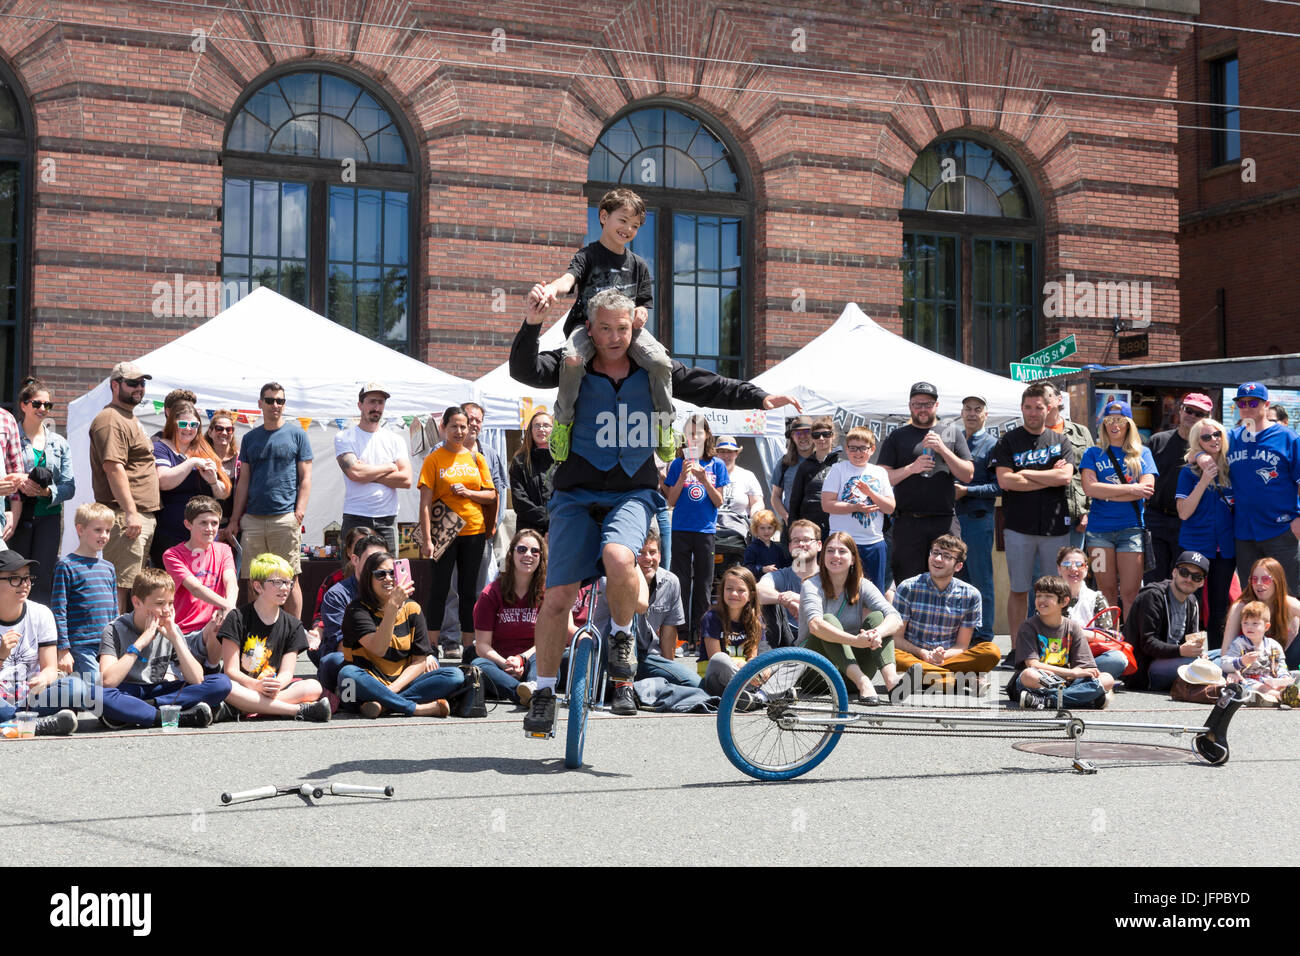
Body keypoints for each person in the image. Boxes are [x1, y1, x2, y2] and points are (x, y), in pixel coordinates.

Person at [509, 286, 798, 737]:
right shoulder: (575, 368)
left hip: (632, 491)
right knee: (558, 598)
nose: (612, 337)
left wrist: (758, 397)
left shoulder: (654, 372)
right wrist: (531, 322)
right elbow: (523, 368)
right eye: (603, 328)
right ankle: (545, 692)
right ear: (589, 327)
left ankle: (623, 634)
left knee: (620, 557)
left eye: (621, 329)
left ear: (634, 327)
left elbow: (708, 385)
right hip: (574, 494)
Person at [527, 187, 673, 462]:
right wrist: (552, 291)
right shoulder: (588, 256)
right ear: (604, 217)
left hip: (625, 329)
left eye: (636, 225)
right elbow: (567, 280)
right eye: (623, 220)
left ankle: (665, 424)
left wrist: (641, 312)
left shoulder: (639, 265)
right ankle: (563, 423)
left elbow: (644, 302)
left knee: (661, 363)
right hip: (588, 327)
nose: (628, 229)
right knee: (571, 359)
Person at [97, 567, 231, 730]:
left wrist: (175, 638)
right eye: (160, 603)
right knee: (97, 695)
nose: (167, 610)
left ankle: (138, 712)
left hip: (157, 693)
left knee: (221, 683)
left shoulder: (170, 628)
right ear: (137, 602)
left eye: (170, 603)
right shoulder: (114, 629)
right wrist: (141, 642)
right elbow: (108, 682)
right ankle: (175, 717)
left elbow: (196, 679)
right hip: (126, 692)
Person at [337, 551, 465, 717]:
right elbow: (379, 649)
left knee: (454, 675)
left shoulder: (412, 609)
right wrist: (392, 607)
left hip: (401, 683)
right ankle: (416, 709)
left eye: (392, 573)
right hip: (363, 687)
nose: (388, 578)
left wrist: (391, 690)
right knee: (347, 675)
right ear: (369, 579)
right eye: (380, 574)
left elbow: (419, 661)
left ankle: (385, 705)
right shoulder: (356, 610)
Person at [991, 383, 1075, 634]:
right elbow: (1005, 481)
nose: (1033, 412)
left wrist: (1026, 473)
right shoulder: (1009, 440)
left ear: (1048, 408)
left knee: (1054, 591)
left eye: (1038, 407)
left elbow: (1066, 478)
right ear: (1021, 409)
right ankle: (1018, 648)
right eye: (1027, 407)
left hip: (1055, 528)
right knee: (1019, 589)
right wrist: (1049, 476)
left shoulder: (1060, 441)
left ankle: (1051, 645)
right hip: (1019, 527)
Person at [228, 382, 313, 618]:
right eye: (270, 400)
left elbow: (306, 477)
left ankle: (294, 637)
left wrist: (299, 512)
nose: (275, 405)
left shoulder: (297, 434)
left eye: (280, 401)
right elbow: (243, 481)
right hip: (253, 519)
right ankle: (259, 633)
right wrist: (236, 518)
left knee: (289, 578)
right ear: (260, 404)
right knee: (254, 579)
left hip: (285, 518)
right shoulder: (250, 438)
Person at [418, 405, 496, 660]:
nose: (460, 431)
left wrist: (470, 493)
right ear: (444, 428)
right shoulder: (434, 459)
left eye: (464, 426)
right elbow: (425, 504)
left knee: (469, 591)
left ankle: (468, 646)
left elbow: (491, 494)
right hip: (444, 531)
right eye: (454, 426)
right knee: (439, 589)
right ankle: (431, 644)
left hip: (474, 531)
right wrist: (427, 539)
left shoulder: (476, 458)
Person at [592, 528, 701, 709]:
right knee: (628, 615)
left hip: (646, 657)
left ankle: (640, 690)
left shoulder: (670, 581)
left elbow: (668, 633)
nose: (647, 558)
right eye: (640, 553)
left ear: (660, 554)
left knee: (694, 683)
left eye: (652, 552)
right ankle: (624, 686)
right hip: (610, 655)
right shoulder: (610, 580)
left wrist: (668, 670)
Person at [877, 382, 974, 585]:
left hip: (944, 521)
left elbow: (967, 475)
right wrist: (912, 468)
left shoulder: (952, 432)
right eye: (917, 404)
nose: (922, 409)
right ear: (910, 406)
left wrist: (943, 450)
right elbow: (882, 478)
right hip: (908, 523)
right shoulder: (897, 436)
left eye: (927, 404)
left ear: (936, 405)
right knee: (907, 583)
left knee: (947, 582)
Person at [218, 554, 330, 721]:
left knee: (313, 687)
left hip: (273, 689)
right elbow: (231, 671)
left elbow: (286, 673)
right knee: (223, 685)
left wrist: (276, 685)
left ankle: (243, 707)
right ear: (258, 586)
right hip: (241, 686)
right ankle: (298, 710)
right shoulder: (236, 617)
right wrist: (256, 685)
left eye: (288, 582)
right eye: (277, 582)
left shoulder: (294, 625)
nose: (285, 588)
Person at [89, 361, 161, 612]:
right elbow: (113, 468)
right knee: (121, 586)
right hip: (125, 516)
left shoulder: (128, 417)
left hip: (139, 515)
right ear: (115, 385)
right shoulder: (110, 419)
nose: (139, 388)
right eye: (132, 383)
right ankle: (112, 646)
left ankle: (124, 643)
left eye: (142, 383)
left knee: (133, 586)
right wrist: (130, 512)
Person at [799, 530, 902, 703]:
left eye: (842, 551)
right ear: (823, 556)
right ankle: (863, 683)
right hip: (816, 674)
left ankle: (892, 680)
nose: (835, 555)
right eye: (830, 551)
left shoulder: (863, 585)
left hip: (852, 672)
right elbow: (815, 626)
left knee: (877, 617)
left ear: (853, 558)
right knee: (828, 620)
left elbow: (895, 617)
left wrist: (877, 633)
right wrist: (854, 641)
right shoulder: (811, 585)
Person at [891, 534, 998, 694]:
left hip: (949, 658)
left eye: (947, 556)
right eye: (934, 553)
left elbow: (962, 646)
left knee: (991, 652)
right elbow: (897, 639)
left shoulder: (970, 594)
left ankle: (925, 679)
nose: (938, 559)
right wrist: (923, 654)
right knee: (891, 654)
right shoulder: (908, 588)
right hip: (914, 655)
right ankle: (960, 681)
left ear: (958, 566)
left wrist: (942, 656)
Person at [1080, 400, 1157, 618]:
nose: (1115, 425)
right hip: (1098, 532)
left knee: (1131, 593)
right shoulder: (1093, 453)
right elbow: (1090, 489)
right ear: (1103, 424)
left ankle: (1131, 643)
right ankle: (1110, 643)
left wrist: (1108, 492)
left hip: (1131, 530)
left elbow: (1148, 489)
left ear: (1129, 424)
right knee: (1106, 593)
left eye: (1120, 420)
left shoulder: (1143, 453)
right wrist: (1131, 489)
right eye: (1110, 420)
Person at [1226, 382, 1300, 599]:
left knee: (1288, 595)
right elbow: (1196, 450)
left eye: (1253, 402)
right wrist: (1200, 456)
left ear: (1266, 404)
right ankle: (1255, 635)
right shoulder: (1231, 438)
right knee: (1251, 596)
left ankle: (1292, 635)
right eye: (1241, 402)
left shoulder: (1287, 437)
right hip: (1244, 532)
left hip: (1281, 528)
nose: (1247, 407)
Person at [0, 550, 84, 735]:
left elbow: (50, 668)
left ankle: (13, 724)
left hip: (30, 697)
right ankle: (33, 725)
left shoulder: (41, 613)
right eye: (15, 578)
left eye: (27, 578)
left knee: (76, 687)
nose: (24, 585)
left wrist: (43, 679)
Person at [665, 414, 728, 650]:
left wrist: (703, 478)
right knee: (680, 584)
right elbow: (670, 500)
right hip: (681, 528)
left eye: (698, 432)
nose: (694, 437)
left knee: (703, 585)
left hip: (705, 530)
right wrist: (682, 476)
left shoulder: (716, 464)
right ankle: (681, 638)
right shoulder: (677, 462)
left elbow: (718, 501)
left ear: (707, 435)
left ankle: (702, 638)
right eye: (690, 433)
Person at [11, 377, 75, 604]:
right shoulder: (11, 439)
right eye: (37, 404)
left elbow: (69, 486)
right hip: (16, 516)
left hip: (49, 517)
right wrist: (19, 482)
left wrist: (46, 492)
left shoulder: (59, 443)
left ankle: (41, 634)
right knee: (13, 575)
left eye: (47, 405)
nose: (42, 409)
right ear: (23, 405)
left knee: (43, 577)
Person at [1010, 575, 1114, 710]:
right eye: (1038, 595)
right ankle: (1085, 699)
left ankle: (1046, 701)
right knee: (1029, 674)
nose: (1041, 600)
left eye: (1048, 596)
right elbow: (1033, 664)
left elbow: (1086, 667)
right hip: (1041, 679)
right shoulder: (1028, 626)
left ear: (1064, 602)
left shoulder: (1073, 627)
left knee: (1107, 679)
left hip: (1066, 682)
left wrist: (1075, 674)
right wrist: (1073, 673)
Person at [1175, 417, 1235, 645]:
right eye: (1206, 436)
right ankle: (1190, 655)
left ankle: (1217, 654)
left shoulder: (1233, 468)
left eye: (1217, 434)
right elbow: (1183, 512)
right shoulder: (1189, 472)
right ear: (1197, 442)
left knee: (1220, 604)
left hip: (1226, 548)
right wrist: (1204, 480)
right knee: (1192, 601)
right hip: (1196, 545)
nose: (1213, 439)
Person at [334, 382, 412, 554]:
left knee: (389, 575)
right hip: (355, 516)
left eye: (381, 402)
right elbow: (354, 472)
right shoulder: (344, 437)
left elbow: (406, 479)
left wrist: (367, 473)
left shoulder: (395, 439)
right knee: (353, 573)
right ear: (360, 405)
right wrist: (389, 467)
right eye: (372, 402)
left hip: (387, 518)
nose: (377, 407)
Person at [472, 529, 546, 705]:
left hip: (531, 660)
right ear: (511, 554)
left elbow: (546, 641)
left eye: (535, 551)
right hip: (499, 664)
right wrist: (505, 663)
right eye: (521, 549)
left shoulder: (547, 593)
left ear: (540, 557)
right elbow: (482, 645)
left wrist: (522, 658)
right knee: (478, 663)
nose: (528, 555)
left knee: (547, 656)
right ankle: (526, 696)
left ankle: (533, 688)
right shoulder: (491, 593)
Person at [1145, 393, 1213, 583]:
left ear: (1207, 418)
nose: (1191, 415)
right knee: (1154, 579)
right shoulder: (1157, 441)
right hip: (1156, 517)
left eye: (1199, 413)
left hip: (1190, 522)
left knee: (1185, 581)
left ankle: (1182, 614)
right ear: (1180, 410)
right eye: (1188, 410)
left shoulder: (1210, 447)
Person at [152, 398, 230, 561]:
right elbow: (164, 481)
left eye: (194, 425)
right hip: (171, 534)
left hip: (204, 535)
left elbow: (224, 492)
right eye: (183, 424)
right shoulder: (161, 447)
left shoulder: (204, 448)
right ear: (173, 424)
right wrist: (192, 462)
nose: (188, 429)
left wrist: (213, 481)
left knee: (203, 581)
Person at [314, 532, 388, 701]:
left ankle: (377, 699)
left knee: (450, 673)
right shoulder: (337, 595)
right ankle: (392, 698)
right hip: (353, 662)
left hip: (390, 662)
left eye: (380, 559)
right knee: (334, 661)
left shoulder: (394, 588)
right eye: (370, 560)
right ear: (355, 560)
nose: (375, 565)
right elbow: (342, 645)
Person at [820, 426, 894, 590]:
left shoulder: (879, 472)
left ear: (872, 449)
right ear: (846, 449)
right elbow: (827, 504)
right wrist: (855, 507)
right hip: (843, 543)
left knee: (874, 593)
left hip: (873, 542)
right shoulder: (838, 469)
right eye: (853, 448)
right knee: (840, 591)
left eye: (862, 448)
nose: (857, 453)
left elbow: (889, 508)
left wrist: (870, 493)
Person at [50, 503, 118, 682]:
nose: (104, 535)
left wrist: (117, 639)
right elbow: (59, 609)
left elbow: (114, 610)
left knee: (111, 684)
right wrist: (63, 648)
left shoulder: (109, 568)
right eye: (98, 530)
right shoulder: (66, 566)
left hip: (107, 646)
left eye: (108, 530)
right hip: (81, 646)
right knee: (98, 688)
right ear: (80, 529)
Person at [1122, 550, 1207, 691]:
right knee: (1196, 664)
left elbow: (1191, 640)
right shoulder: (1153, 596)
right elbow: (1147, 644)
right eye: (1184, 572)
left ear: (1202, 582)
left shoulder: (1192, 602)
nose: (1189, 579)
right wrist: (1180, 651)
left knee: (1221, 656)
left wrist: (1197, 651)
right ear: (1174, 572)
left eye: (1196, 577)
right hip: (1145, 669)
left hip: (1177, 660)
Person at [953, 394, 998, 644]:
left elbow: (999, 487)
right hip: (952, 520)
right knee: (957, 579)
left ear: (985, 415)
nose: (971, 413)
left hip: (978, 519)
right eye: (967, 408)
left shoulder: (993, 444)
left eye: (977, 409)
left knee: (981, 580)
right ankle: (961, 635)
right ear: (961, 413)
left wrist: (967, 491)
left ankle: (983, 636)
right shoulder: (953, 440)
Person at [162, 497, 237, 645]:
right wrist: (228, 606)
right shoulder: (172, 554)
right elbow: (195, 588)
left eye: (214, 523)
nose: (210, 528)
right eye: (203, 523)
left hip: (216, 623)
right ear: (188, 524)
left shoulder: (224, 549)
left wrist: (229, 607)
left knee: (220, 623)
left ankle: (212, 667)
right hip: (185, 630)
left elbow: (231, 582)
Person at [1056, 545, 1127, 680]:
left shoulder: (1096, 598)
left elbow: (1106, 636)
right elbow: (1042, 633)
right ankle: (1082, 682)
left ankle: (1076, 679)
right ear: (1059, 569)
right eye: (1067, 564)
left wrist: (1078, 633)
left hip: (1089, 658)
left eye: (1079, 564)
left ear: (1086, 568)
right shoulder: (1049, 596)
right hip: (1054, 656)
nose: (1074, 569)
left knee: (1118, 659)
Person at [698, 566, 770, 697]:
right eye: (729, 589)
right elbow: (714, 657)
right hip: (717, 681)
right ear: (722, 591)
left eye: (741, 590)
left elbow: (752, 658)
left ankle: (753, 696)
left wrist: (763, 669)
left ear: (751, 595)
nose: (734, 594)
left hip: (745, 675)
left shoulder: (755, 620)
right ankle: (760, 694)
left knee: (789, 662)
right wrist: (743, 667)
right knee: (721, 659)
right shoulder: (711, 617)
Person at [1221, 558, 1300, 668]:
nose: (1258, 583)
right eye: (1254, 579)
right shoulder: (1240, 607)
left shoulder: (1289, 604)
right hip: (1245, 664)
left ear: (1277, 581)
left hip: (1279, 661)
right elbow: (1225, 653)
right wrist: (1233, 671)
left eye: (1265, 579)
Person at [1043, 382, 1093, 549]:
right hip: (1041, 515)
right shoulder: (1028, 435)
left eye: (1047, 396)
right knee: (1041, 573)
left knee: (1072, 567)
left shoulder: (1081, 432)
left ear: (1059, 399)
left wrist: (1088, 511)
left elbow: (1092, 472)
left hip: (1074, 516)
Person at [1219, 601, 1297, 706]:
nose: (1249, 627)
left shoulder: (1274, 645)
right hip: (1249, 680)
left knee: (1294, 677)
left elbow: (1281, 665)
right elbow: (1224, 662)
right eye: (1245, 623)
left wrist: (1283, 677)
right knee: (1258, 687)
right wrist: (1241, 661)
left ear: (1266, 626)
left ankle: (1293, 696)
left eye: (1255, 623)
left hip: (1271, 680)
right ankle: (1282, 696)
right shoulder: (1239, 643)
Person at [758, 518, 822, 634]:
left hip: (819, 637)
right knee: (767, 607)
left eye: (806, 540)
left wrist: (798, 598)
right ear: (790, 547)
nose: (801, 544)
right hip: (786, 638)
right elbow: (758, 591)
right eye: (796, 541)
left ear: (819, 545)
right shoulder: (781, 575)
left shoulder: (829, 577)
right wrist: (785, 601)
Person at [788, 417, 840, 541]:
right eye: (816, 435)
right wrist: (792, 530)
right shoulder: (805, 466)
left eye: (826, 434)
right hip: (809, 529)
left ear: (832, 436)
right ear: (812, 438)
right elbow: (795, 501)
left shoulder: (842, 465)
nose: (821, 439)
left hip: (835, 527)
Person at [714, 435, 763, 564]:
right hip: (712, 523)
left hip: (737, 525)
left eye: (730, 452)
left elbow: (757, 501)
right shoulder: (707, 474)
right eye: (722, 452)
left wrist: (754, 516)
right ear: (716, 454)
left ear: (736, 454)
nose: (726, 456)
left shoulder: (747, 475)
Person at [206, 410, 243, 575]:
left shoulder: (240, 461)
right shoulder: (202, 458)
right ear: (211, 431)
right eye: (219, 428)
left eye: (229, 429)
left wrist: (232, 525)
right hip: (205, 527)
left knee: (230, 576)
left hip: (233, 530)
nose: (224, 433)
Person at [509, 409, 555, 535]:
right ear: (531, 430)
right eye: (537, 425)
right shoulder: (520, 461)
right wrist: (546, 518)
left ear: (553, 429)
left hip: (557, 527)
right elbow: (519, 500)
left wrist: (555, 518)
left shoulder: (562, 460)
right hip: (529, 530)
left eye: (546, 425)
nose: (541, 429)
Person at [770, 416, 814, 527]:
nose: (802, 437)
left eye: (807, 432)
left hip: (820, 524)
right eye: (798, 433)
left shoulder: (825, 462)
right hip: (793, 525)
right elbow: (775, 496)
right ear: (792, 437)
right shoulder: (784, 463)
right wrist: (786, 517)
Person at [743, 509, 788, 581]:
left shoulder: (778, 549)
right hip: (759, 583)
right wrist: (762, 569)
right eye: (762, 528)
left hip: (777, 582)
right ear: (756, 529)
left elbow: (784, 566)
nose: (766, 531)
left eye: (769, 528)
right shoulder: (752, 548)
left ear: (775, 528)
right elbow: (747, 568)